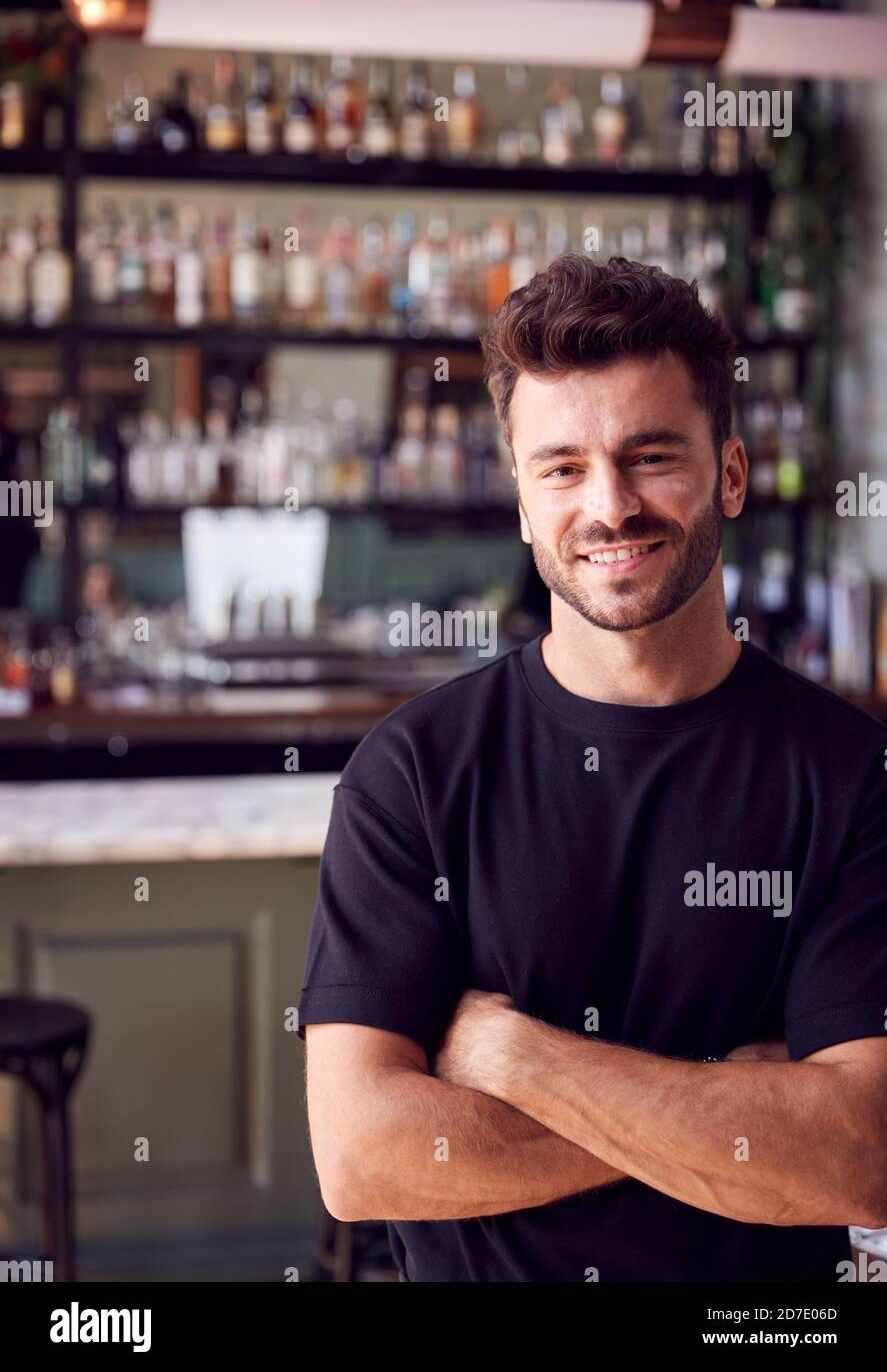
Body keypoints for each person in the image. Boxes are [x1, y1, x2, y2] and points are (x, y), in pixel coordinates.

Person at [298, 255, 887, 1282]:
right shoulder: (413, 772)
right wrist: (723, 1113)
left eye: (650, 455)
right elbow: (361, 1157)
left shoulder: (850, 776)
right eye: (560, 467)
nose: (608, 507)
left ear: (732, 474)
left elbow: (859, 1155)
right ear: (523, 502)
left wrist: (512, 1059)